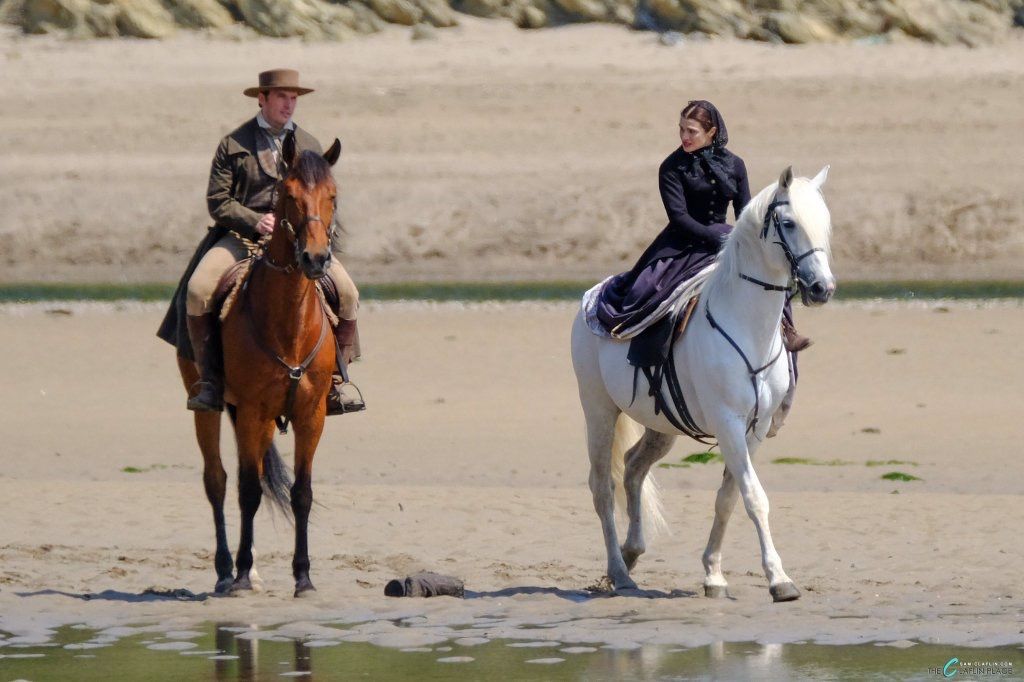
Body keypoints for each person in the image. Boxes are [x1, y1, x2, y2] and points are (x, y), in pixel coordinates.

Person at [157, 68, 365, 415]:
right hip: (242, 238)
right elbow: (218, 201)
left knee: (348, 294)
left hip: (299, 242)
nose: (289, 104)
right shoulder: (233, 144)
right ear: (262, 99)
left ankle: (336, 383)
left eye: (293, 98)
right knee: (197, 290)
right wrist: (255, 220)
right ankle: (209, 382)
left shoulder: (311, 146)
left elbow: (322, 199)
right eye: (282, 97)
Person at [596, 99, 810, 351]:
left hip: (726, 237)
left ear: (712, 132)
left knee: (769, 272)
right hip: (681, 243)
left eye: (692, 131)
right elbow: (679, 217)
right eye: (681, 129)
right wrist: (718, 238)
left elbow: (744, 211)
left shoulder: (735, 164)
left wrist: (748, 239)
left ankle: (787, 328)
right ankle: (648, 352)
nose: (684, 137)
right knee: (648, 288)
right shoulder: (671, 167)